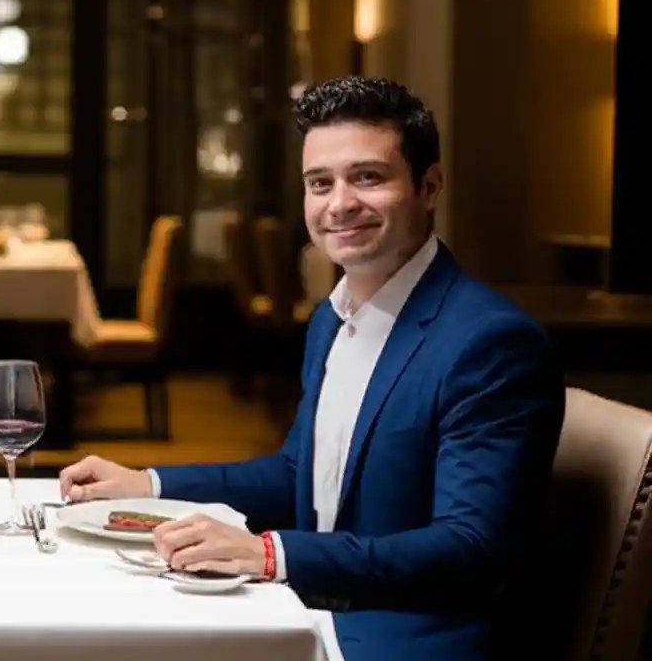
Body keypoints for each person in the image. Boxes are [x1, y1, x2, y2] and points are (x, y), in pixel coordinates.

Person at [58, 76, 563, 661]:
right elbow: (299, 472)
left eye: (367, 177)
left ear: (429, 187)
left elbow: (470, 548)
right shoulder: (332, 318)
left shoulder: (489, 343)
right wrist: (149, 486)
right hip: (316, 605)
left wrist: (270, 555)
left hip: (404, 636)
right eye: (320, 183)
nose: (339, 204)